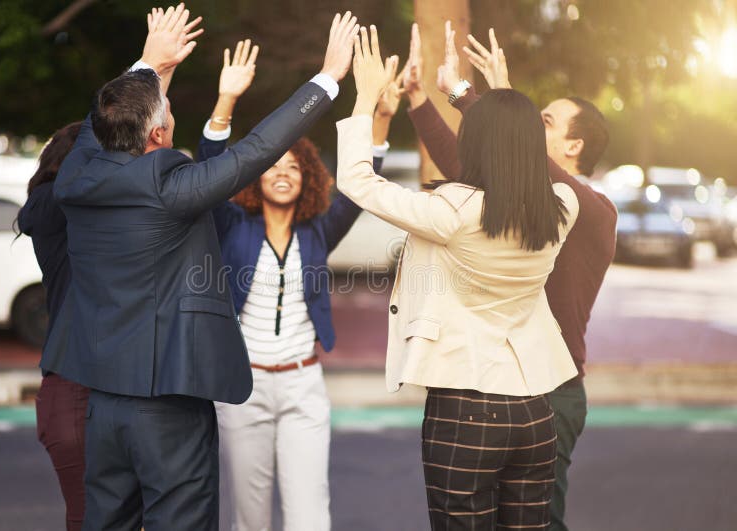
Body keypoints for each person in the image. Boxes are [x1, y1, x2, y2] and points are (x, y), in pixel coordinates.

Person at [42, 5, 360, 529]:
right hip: (169, 403)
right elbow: (259, 149)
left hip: (102, 403)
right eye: (165, 111)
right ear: (160, 138)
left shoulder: (76, 178)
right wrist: (327, 78)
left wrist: (150, 63)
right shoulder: (173, 190)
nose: (167, 112)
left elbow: (105, 123)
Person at [338, 25, 580, 530]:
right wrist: (485, 94)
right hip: (536, 408)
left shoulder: (453, 210)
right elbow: (526, 159)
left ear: (478, 143)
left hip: (465, 408)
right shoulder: (562, 207)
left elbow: (358, 180)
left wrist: (363, 98)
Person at [405, 22, 617, 531]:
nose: (527, 128)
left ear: (574, 146)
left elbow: (511, 147)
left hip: (552, 388)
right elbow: (468, 157)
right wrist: (417, 99)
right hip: (495, 385)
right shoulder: (520, 201)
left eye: (543, 121)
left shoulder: (590, 209)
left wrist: (475, 94)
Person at [194, 40, 400, 531]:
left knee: (310, 513)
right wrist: (227, 100)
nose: (282, 172)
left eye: (293, 166)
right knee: (250, 514)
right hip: (243, 385)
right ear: (254, 175)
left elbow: (359, 185)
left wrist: (380, 117)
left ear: (307, 178)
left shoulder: (318, 230)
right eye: (272, 165)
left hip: (304, 383)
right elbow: (209, 162)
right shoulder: (229, 223)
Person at [17, 121, 88, 531]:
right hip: (72, 381)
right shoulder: (49, 203)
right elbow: (40, 209)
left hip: (120, 383)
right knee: (89, 517)